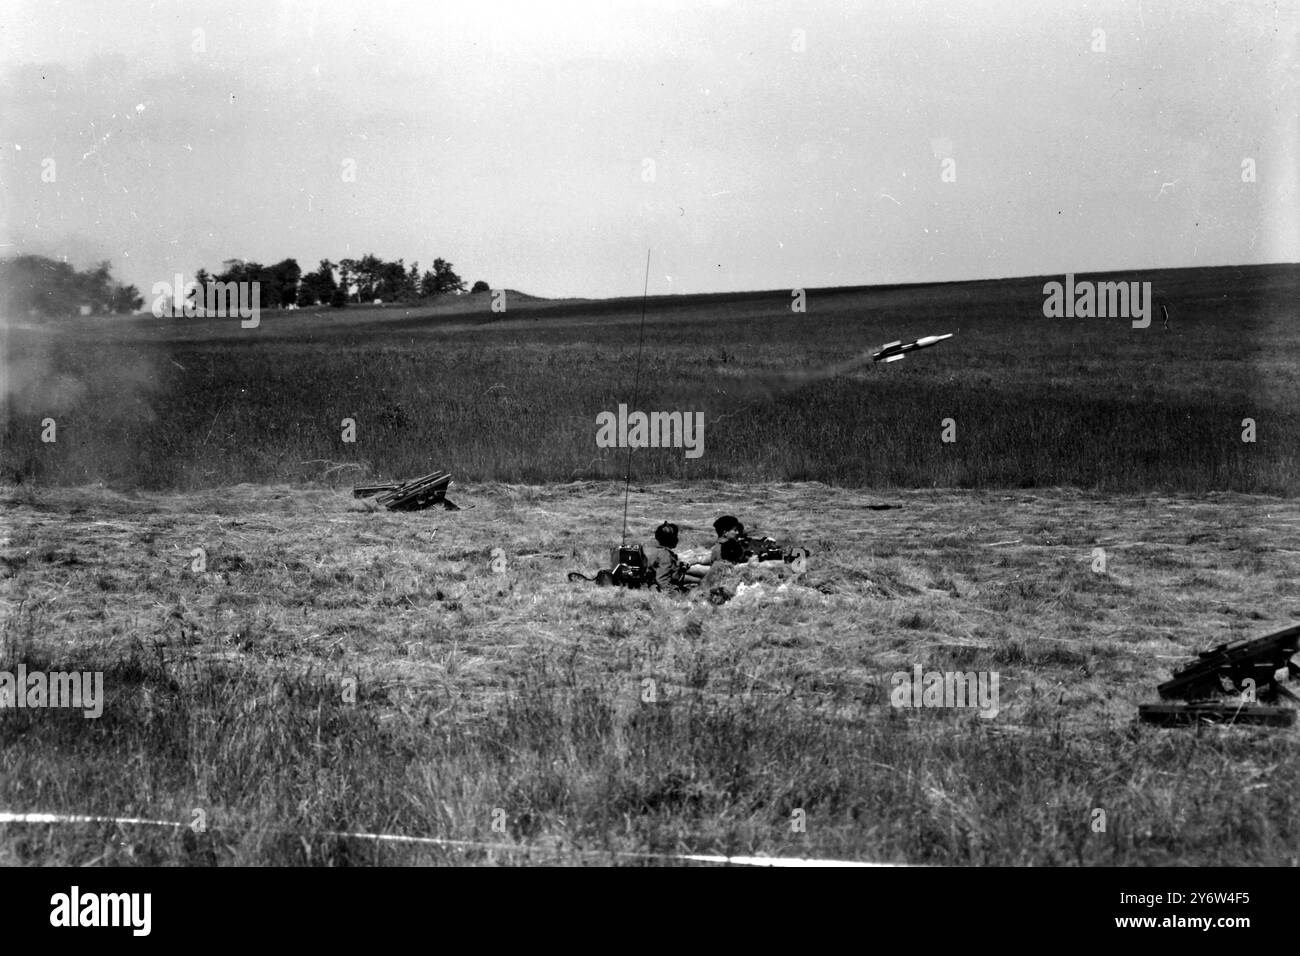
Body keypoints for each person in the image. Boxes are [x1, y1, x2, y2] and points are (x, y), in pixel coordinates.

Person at [644, 521, 688, 592]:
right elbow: (662, 581)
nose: (677, 539)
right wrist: (678, 595)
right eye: (675, 536)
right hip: (657, 590)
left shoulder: (655, 550)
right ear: (670, 539)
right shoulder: (665, 555)